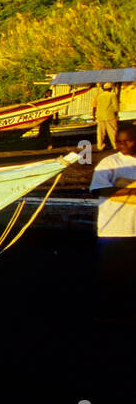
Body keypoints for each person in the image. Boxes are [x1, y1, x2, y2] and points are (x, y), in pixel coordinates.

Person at [89, 124, 136, 304]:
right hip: (115, 229)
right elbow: (98, 189)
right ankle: (109, 313)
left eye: (127, 141)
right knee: (113, 276)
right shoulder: (110, 162)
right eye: (118, 142)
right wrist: (131, 190)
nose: (122, 145)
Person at [93, 82, 119, 151]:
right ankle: (115, 145)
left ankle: (100, 146)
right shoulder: (112, 95)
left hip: (100, 116)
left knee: (100, 132)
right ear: (110, 88)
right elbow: (115, 107)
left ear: (103, 89)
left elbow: (94, 106)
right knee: (112, 131)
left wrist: (94, 115)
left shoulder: (99, 96)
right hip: (110, 115)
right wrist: (116, 115)